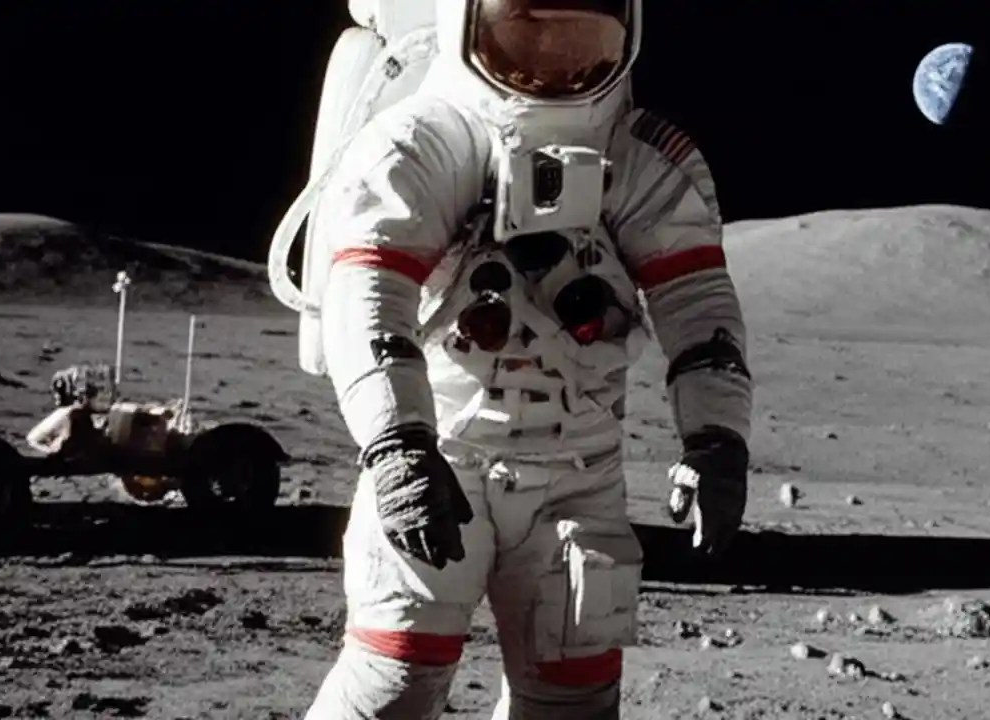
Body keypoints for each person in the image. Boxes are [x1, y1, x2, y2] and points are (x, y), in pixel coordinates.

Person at [301, 1, 753, 717]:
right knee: (393, 685)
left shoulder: (638, 161)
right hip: (440, 461)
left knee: (571, 700)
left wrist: (717, 437)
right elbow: (370, 295)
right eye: (527, 28)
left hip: (579, 476)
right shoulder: (423, 144)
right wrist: (396, 446)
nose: (553, 57)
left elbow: (698, 307)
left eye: (579, 31)